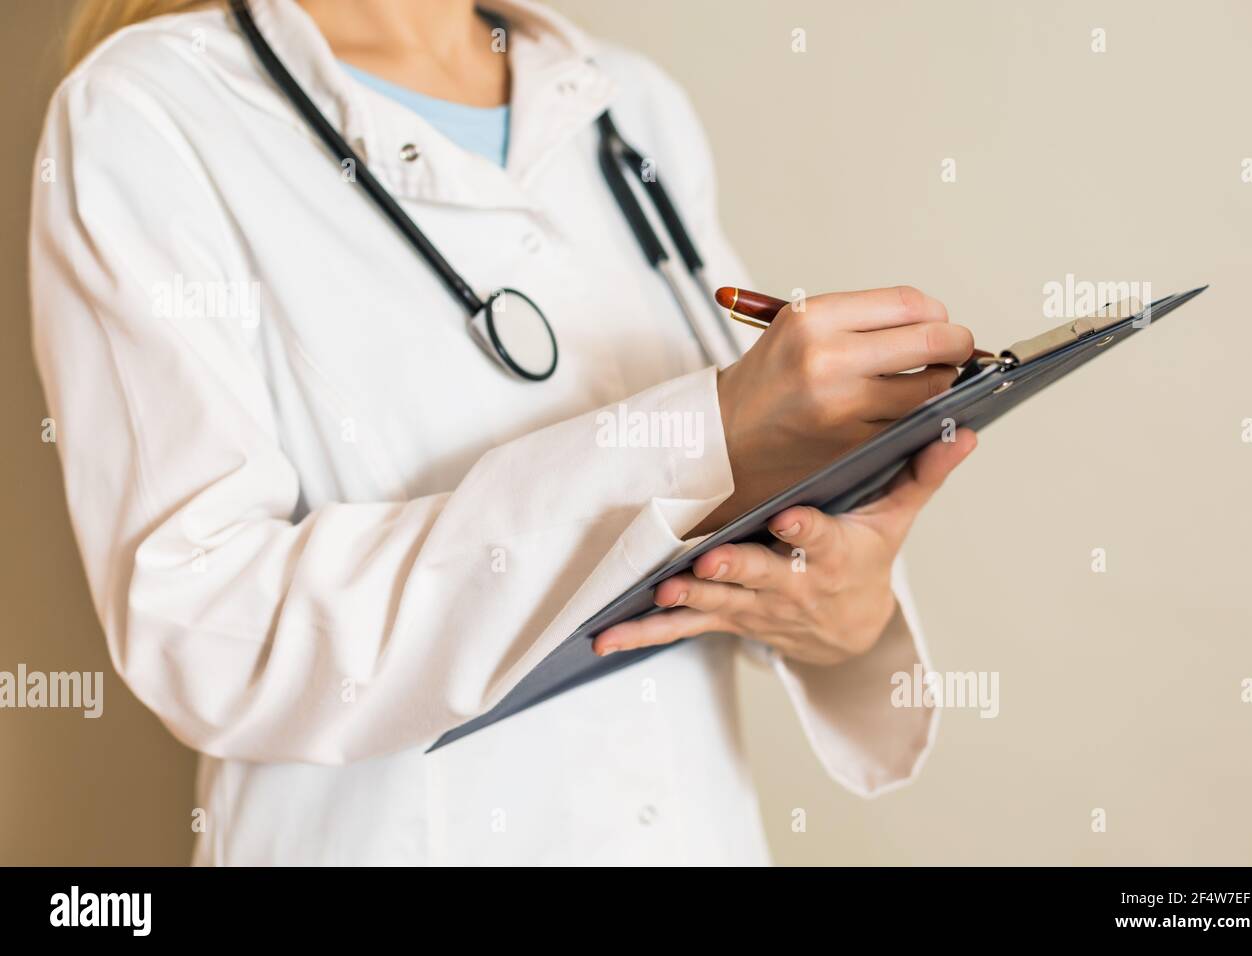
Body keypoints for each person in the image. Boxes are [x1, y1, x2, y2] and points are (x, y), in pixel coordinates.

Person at [31, 0, 976, 865]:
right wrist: (701, 430)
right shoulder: (149, 111)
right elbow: (212, 636)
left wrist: (842, 611)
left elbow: (724, 509)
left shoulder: (628, 105)